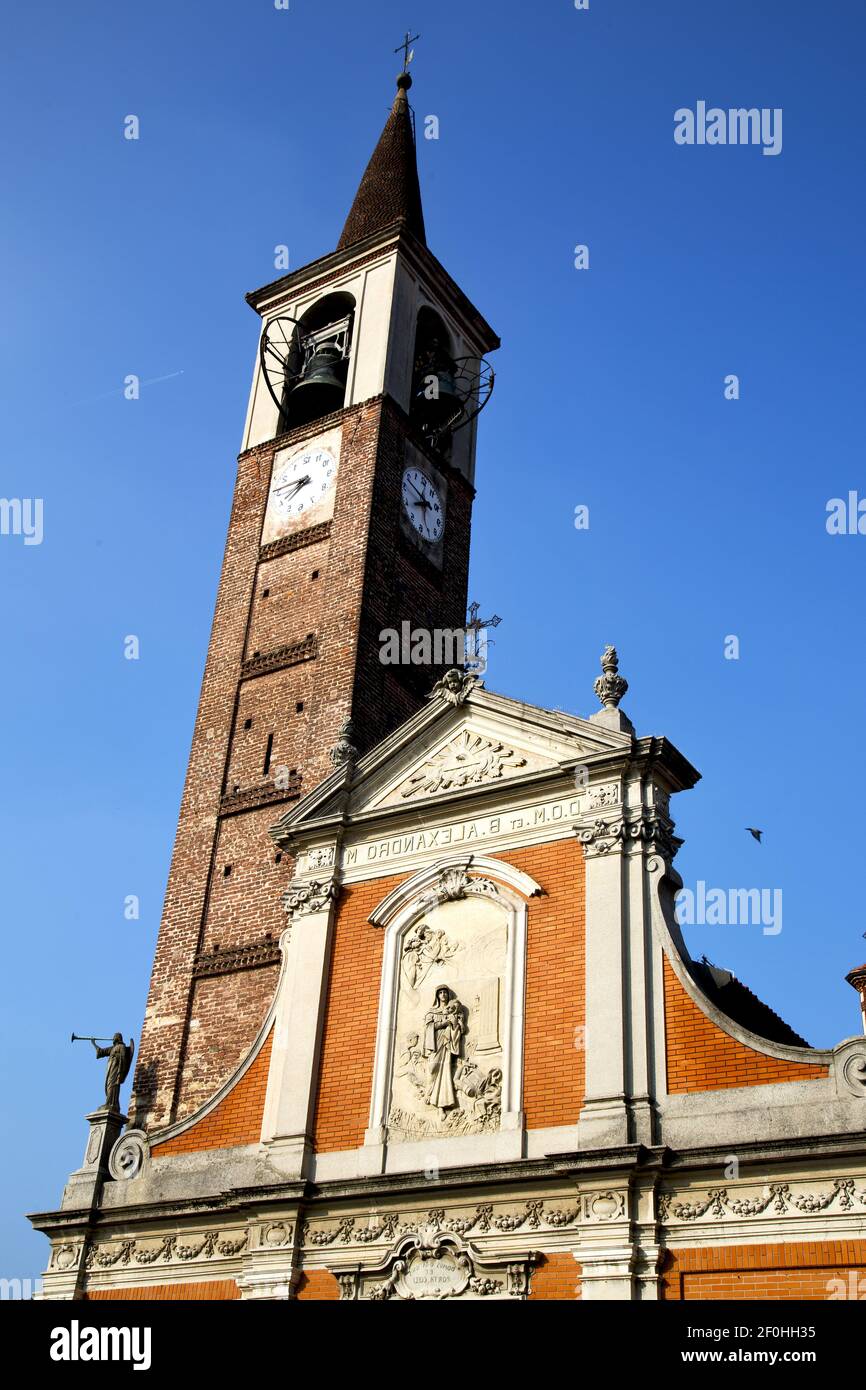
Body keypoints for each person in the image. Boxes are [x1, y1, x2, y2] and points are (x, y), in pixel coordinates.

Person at [422, 987, 464, 1111]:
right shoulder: (432, 1012)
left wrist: (455, 1023)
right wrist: (443, 1023)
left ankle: (441, 1105)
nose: (443, 994)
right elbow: (428, 1027)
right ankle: (428, 1092)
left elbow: (459, 1029)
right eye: (440, 993)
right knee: (432, 1068)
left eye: (445, 992)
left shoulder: (452, 1011)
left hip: (446, 1043)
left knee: (445, 1072)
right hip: (434, 1043)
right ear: (437, 996)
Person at [92, 1033, 134, 1112]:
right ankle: (109, 1102)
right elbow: (101, 1051)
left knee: (112, 1085)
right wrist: (94, 1043)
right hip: (110, 1069)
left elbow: (124, 1059)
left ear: (118, 1038)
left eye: (115, 1037)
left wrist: (117, 1057)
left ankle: (112, 1103)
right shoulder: (113, 1048)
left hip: (116, 1070)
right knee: (108, 1085)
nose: (113, 1038)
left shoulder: (122, 1047)